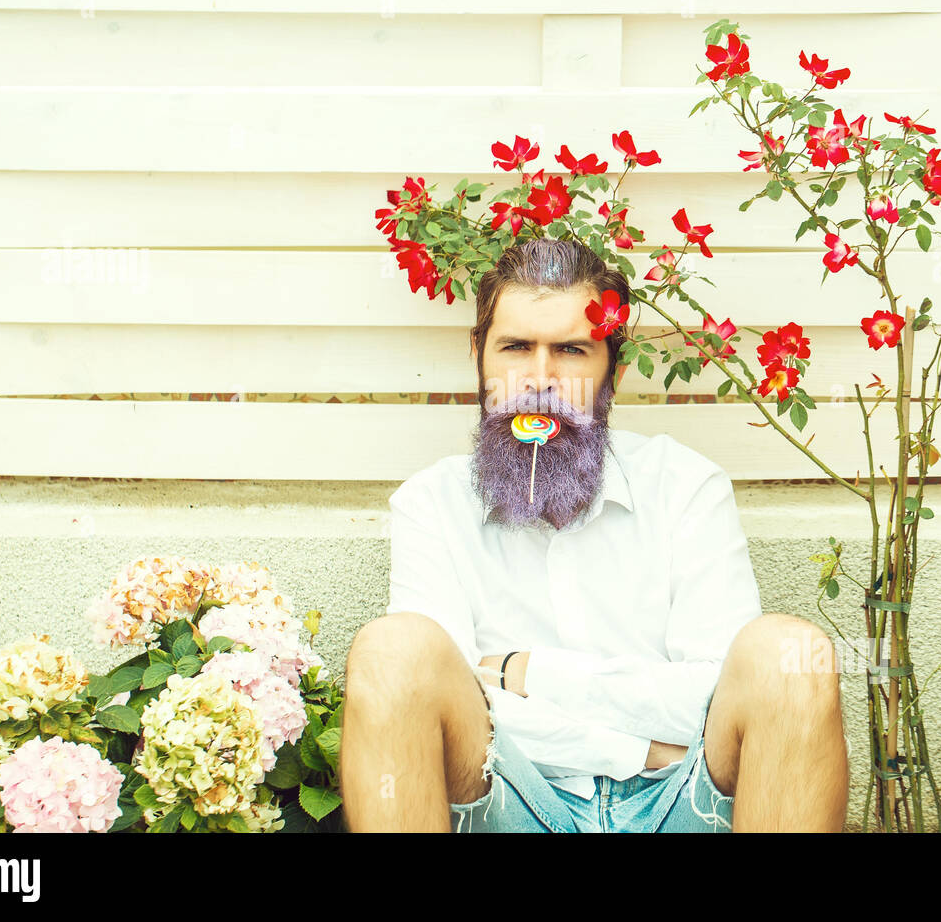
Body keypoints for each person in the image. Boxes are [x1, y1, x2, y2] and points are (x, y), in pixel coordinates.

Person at [339, 237, 848, 832]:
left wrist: (531, 674)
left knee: (788, 657)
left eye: (572, 350)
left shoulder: (686, 487)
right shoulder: (431, 504)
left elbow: (717, 699)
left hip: (679, 805)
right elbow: (442, 706)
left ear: (615, 367)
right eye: (516, 347)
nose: (540, 379)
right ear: (478, 353)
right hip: (511, 803)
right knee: (392, 654)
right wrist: (638, 748)